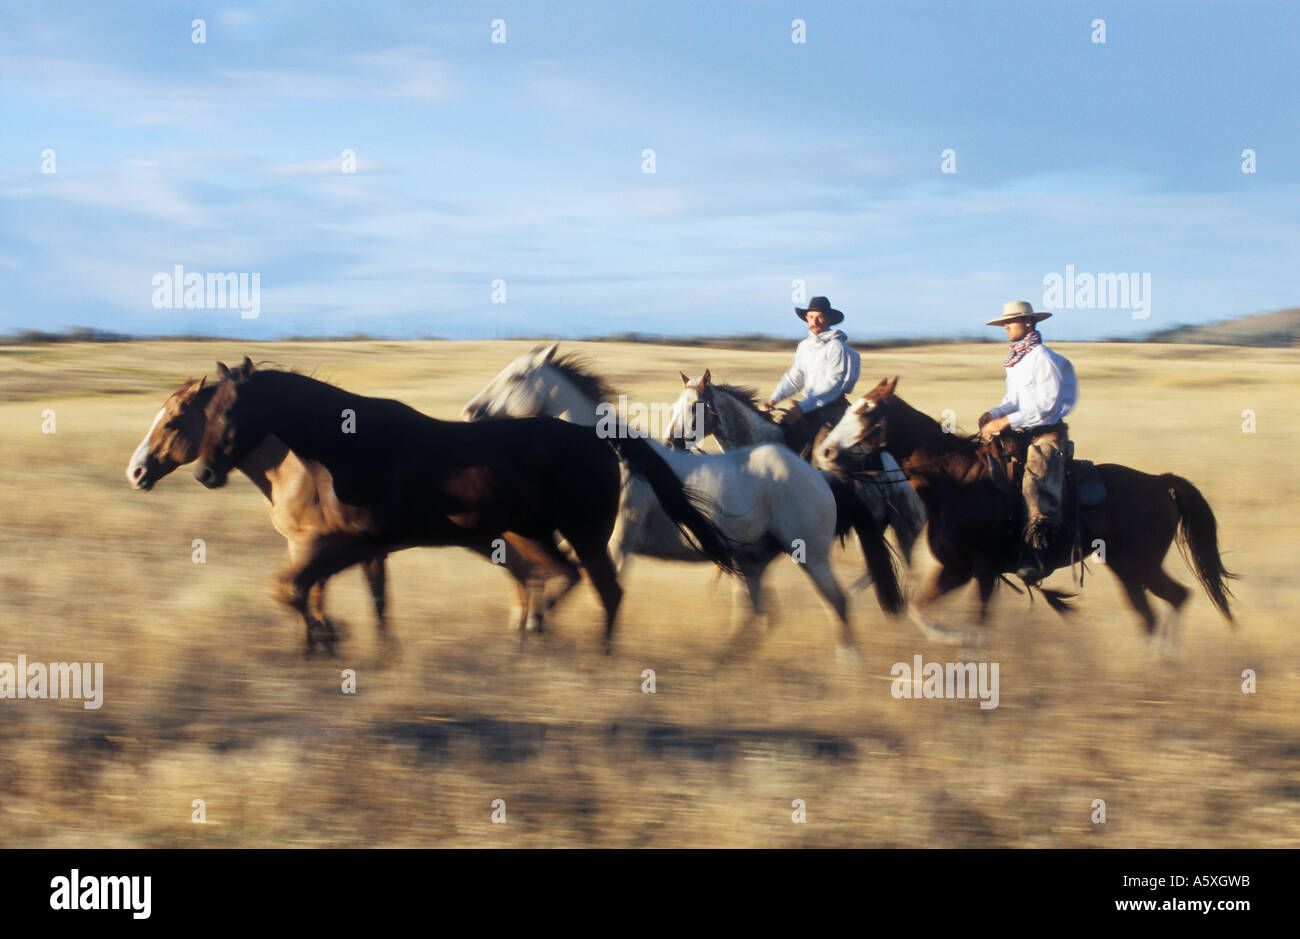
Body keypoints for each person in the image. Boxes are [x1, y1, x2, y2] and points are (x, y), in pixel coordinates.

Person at [978, 300, 1078, 584]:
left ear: (1029, 324)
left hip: (1047, 436)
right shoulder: (1017, 359)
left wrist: (1004, 422)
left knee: (1034, 484)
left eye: (1011, 322)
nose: (1006, 326)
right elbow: (1013, 402)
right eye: (1004, 323)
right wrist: (994, 413)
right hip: (1024, 432)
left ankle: (1035, 554)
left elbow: (1046, 407)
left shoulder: (1043, 358)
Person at [761, 296, 861, 458]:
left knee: (825, 455)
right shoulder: (804, 346)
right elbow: (794, 378)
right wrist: (773, 400)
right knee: (779, 435)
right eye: (811, 317)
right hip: (808, 408)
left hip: (831, 411)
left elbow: (832, 388)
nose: (815, 321)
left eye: (820, 316)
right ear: (806, 318)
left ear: (828, 319)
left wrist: (801, 408)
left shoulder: (837, 348)